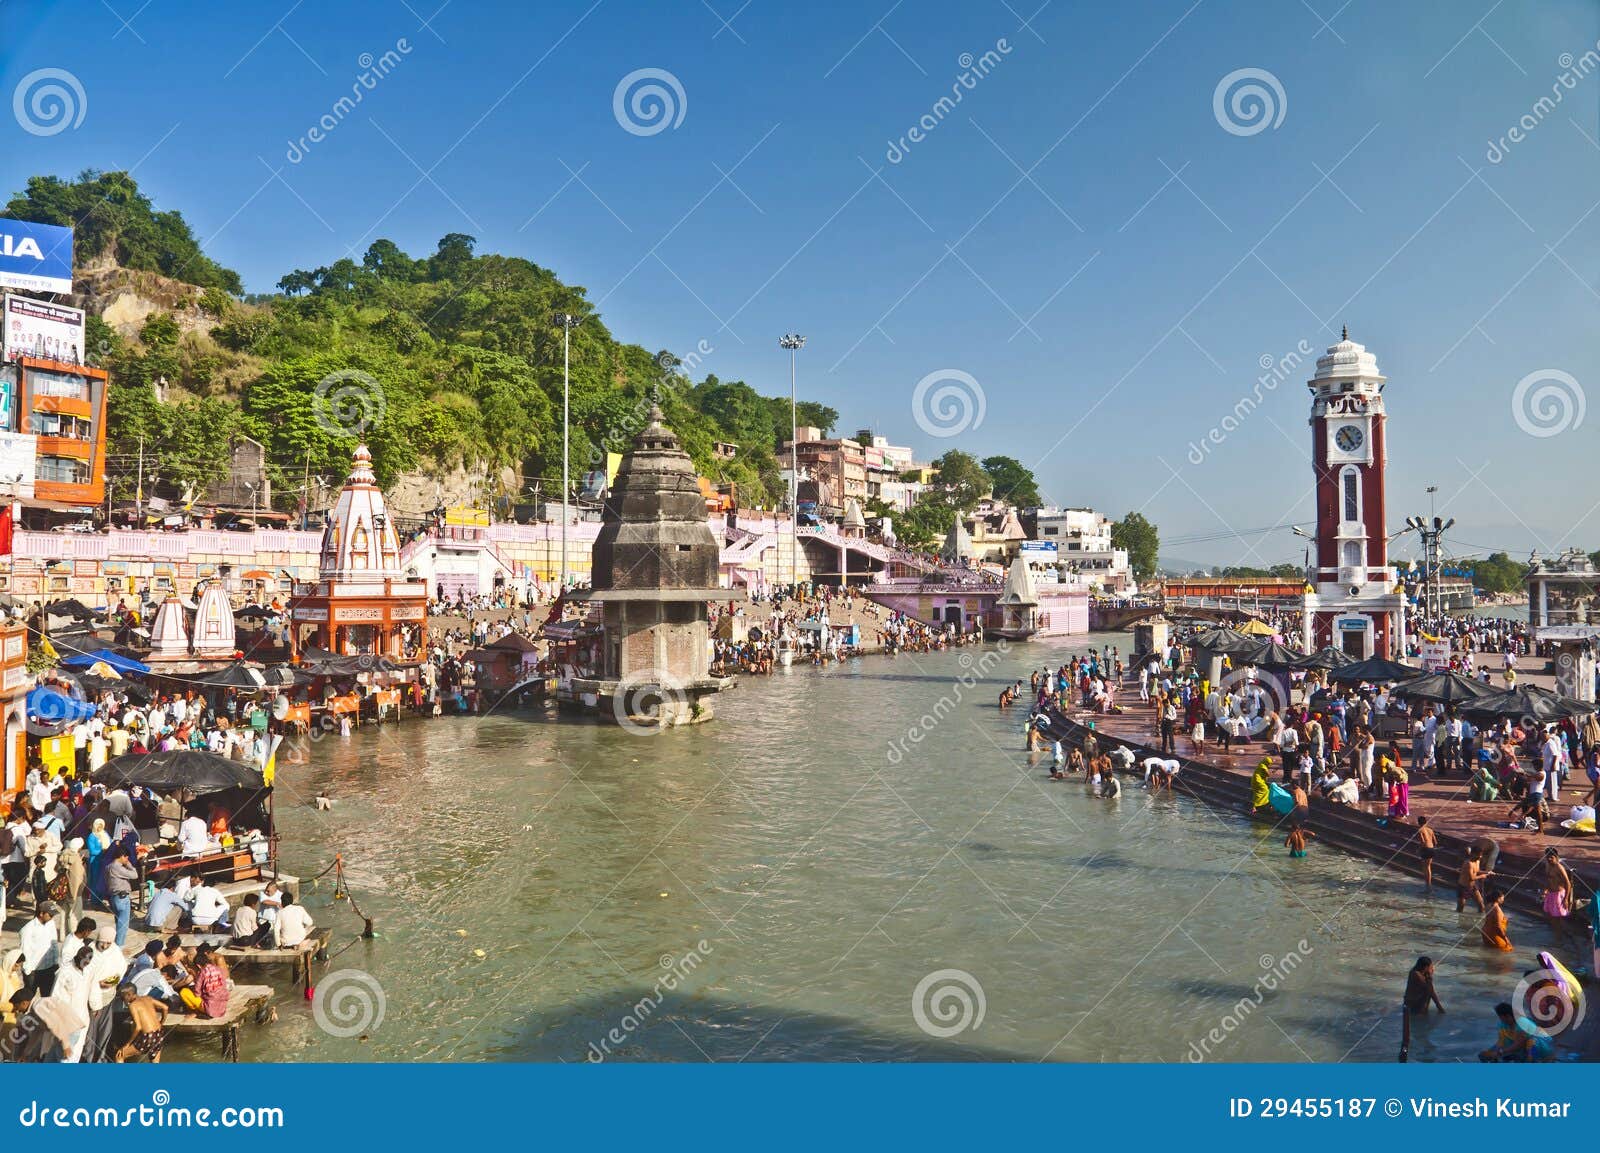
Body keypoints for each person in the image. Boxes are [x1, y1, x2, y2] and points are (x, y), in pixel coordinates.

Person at [82, 924, 127, 1062]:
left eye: (109, 943)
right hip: (90, 997)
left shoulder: (115, 951)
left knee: (105, 1030)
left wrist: (111, 982)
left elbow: (121, 970)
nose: (106, 946)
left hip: (108, 996)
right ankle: (87, 1059)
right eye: (103, 942)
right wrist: (96, 984)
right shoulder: (89, 950)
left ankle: (101, 1059)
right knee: (90, 1031)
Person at [1479, 1001, 1554, 1062]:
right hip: (1523, 1047)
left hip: (1543, 1047)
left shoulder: (1522, 1023)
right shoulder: (1503, 1024)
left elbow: (1518, 1045)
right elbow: (1501, 1041)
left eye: (1501, 1017)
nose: (1501, 1019)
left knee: (1532, 1042)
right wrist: (1490, 1052)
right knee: (1487, 1055)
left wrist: (1499, 1052)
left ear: (1508, 1016)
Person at [112, 984, 168, 1063]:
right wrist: (161, 1022)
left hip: (148, 1037)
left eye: (122, 997)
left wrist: (127, 1044)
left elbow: (138, 1027)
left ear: (129, 995)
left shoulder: (132, 1005)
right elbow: (165, 1007)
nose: (122, 1000)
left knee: (119, 1056)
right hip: (159, 1034)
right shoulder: (148, 998)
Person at [16, 903, 59, 1000]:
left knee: (47, 998)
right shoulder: (28, 929)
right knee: (28, 999)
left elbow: (54, 944)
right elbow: (24, 949)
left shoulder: (51, 923)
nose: (52, 917)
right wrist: (28, 972)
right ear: (41, 914)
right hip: (33, 971)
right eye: (50, 915)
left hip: (48, 969)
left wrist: (55, 962)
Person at [101, 844, 139, 947]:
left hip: (114, 896)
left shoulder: (108, 867)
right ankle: (118, 947)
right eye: (126, 857)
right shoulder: (116, 867)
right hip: (121, 897)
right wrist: (129, 865)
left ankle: (117, 944)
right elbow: (135, 875)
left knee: (119, 923)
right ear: (122, 856)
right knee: (123, 925)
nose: (127, 859)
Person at [1540, 848, 1574, 931]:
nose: (1549, 859)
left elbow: (1568, 883)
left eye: (1551, 857)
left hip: (1559, 894)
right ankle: (1556, 935)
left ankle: (1559, 941)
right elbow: (1548, 879)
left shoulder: (1559, 868)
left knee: (1557, 918)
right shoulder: (1547, 865)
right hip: (1550, 894)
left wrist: (1566, 899)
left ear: (1556, 857)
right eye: (1547, 857)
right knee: (1550, 915)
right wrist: (1545, 891)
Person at [1480, 887, 1514, 952]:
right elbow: (1498, 927)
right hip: (1494, 935)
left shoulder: (1488, 905)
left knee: (1489, 952)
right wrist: (1505, 939)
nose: (1503, 899)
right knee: (1508, 951)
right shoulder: (1496, 909)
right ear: (1498, 898)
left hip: (1485, 933)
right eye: (1503, 897)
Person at [1456, 849, 1487, 913]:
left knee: (1481, 905)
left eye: (1481, 855)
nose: (1480, 857)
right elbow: (1471, 878)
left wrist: (1487, 872)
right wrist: (1482, 876)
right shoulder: (1468, 863)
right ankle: (1460, 921)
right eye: (1479, 855)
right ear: (1473, 854)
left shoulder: (1478, 861)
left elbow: (1477, 871)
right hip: (1463, 887)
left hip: (1473, 886)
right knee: (1460, 909)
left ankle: (1480, 919)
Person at [1415, 816, 1438, 891]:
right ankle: (1429, 884)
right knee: (1428, 867)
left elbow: (1422, 842)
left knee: (1425, 867)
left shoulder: (1420, 830)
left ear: (1418, 823)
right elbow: (1435, 842)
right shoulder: (1430, 830)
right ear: (1426, 822)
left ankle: (1428, 885)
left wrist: (1418, 850)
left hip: (1425, 849)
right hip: (1432, 849)